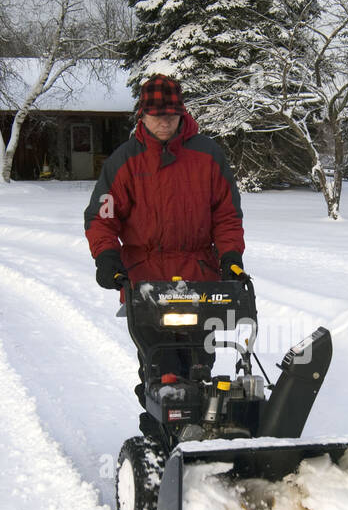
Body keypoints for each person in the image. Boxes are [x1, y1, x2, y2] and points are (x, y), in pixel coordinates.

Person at [83, 74, 246, 416]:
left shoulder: (208, 155)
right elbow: (102, 217)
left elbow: (227, 215)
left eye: (170, 115)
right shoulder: (125, 161)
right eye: (156, 115)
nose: (164, 121)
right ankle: (159, 433)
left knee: (200, 366)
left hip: (199, 278)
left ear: (181, 113)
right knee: (160, 368)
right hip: (145, 280)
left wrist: (231, 257)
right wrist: (107, 257)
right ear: (142, 115)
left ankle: (203, 432)